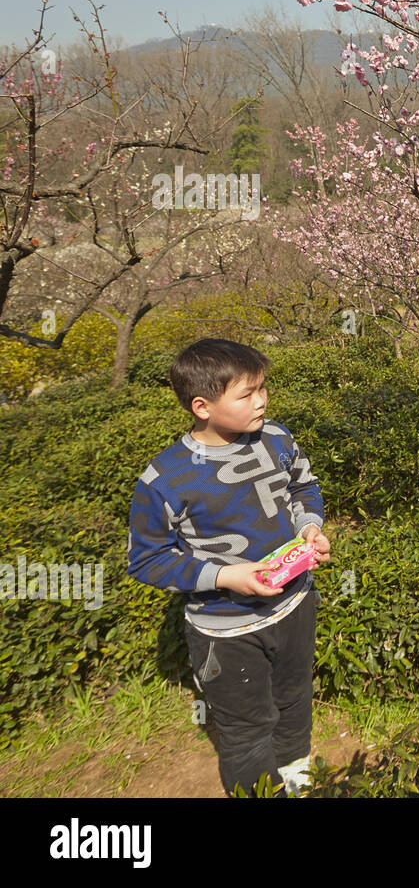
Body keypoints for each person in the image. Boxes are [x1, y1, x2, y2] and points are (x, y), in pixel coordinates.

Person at [127, 338, 331, 796]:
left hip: (296, 603)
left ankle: (296, 771)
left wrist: (310, 529)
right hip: (226, 630)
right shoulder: (165, 479)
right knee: (246, 727)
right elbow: (148, 559)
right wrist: (226, 576)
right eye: (247, 393)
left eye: (263, 388)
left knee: (294, 697)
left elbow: (303, 488)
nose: (262, 400)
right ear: (202, 406)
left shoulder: (276, 438)